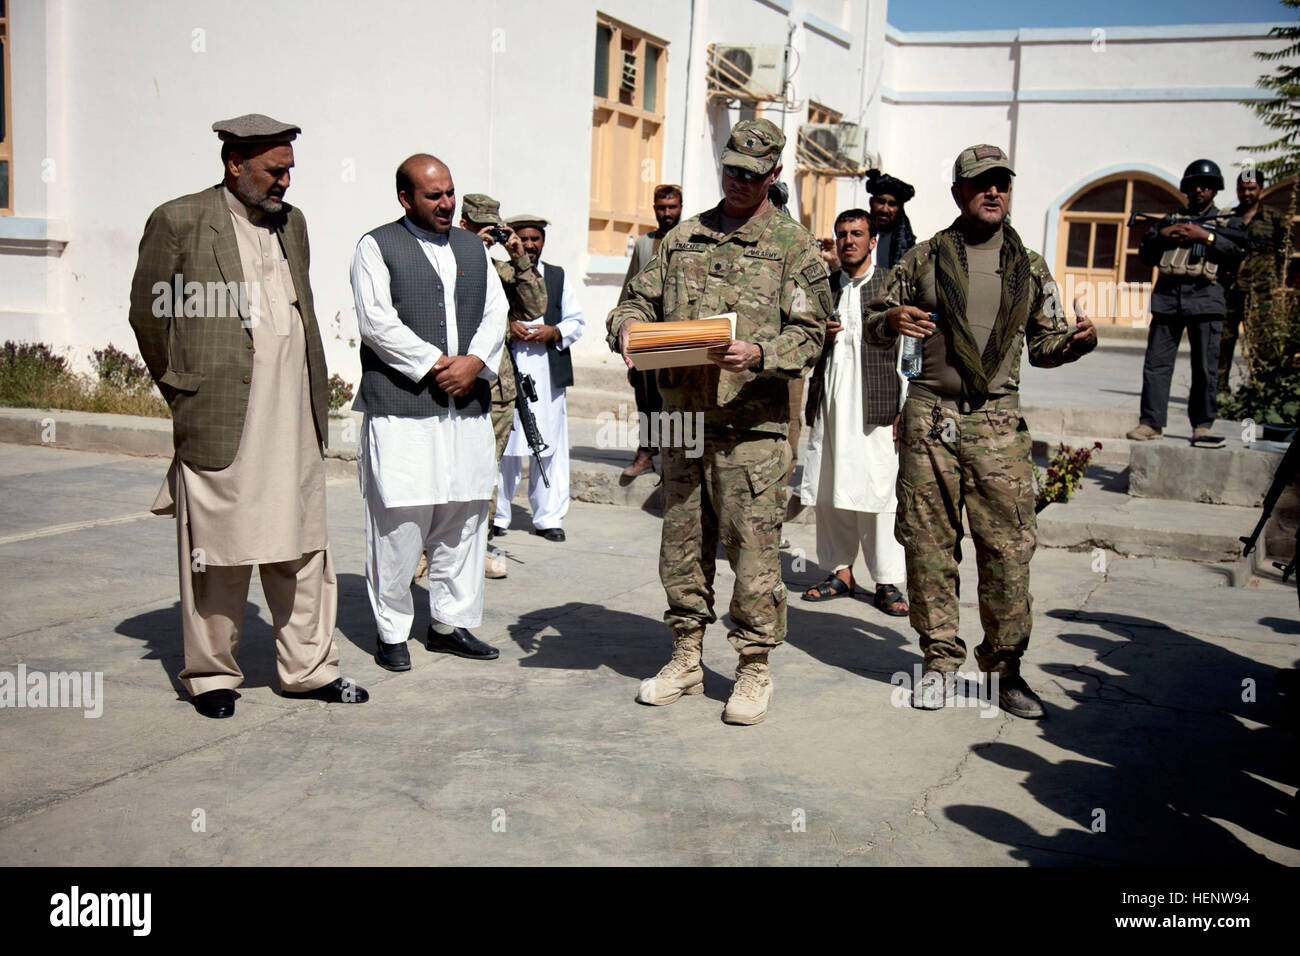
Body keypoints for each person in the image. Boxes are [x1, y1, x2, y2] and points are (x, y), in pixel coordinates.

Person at [128, 113, 368, 718]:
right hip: (223, 413)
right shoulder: (180, 220)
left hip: (294, 413)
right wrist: (181, 387)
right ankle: (211, 675)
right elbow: (148, 317)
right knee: (219, 552)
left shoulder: (295, 224)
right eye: (273, 171)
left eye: (289, 171)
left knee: (304, 547)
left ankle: (308, 669)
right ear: (234, 164)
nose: (285, 183)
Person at [607, 118, 831, 725]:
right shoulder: (683, 239)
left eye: (752, 175)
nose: (738, 182)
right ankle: (685, 655)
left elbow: (811, 334)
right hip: (683, 422)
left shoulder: (794, 248)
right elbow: (634, 302)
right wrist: (627, 327)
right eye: (732, 170)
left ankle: (754, 667)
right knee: (681, 544)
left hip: (751, 427)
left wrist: (762, 354)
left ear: (774, 175)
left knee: (753, 552)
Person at [865, 144, 1098, 719]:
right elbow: (873, 323)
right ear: (958, 195)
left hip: (997, 422)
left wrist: (1072, 345)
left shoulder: (1029, 266)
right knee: (928, 547)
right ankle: (940, 662)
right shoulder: (923, 258)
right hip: (930, 417)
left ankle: (1004, 669)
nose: (993, 192)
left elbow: (1043, 346)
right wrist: (892, 319)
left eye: (1001, 183)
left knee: (1009, 550)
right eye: (980, 184)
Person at [351, 154, 507, 672]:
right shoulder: (376, 246)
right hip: (403, 412)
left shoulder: (472, 247)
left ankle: (448, 624)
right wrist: (436, 364)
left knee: (463, 519)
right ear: (405, 199)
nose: (447, 203)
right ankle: (392, 630)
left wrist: (476, 363)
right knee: (400, 522)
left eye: (450, 193)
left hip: (466, 411)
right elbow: (377, 321)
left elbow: (496, 311)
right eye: (433, 195)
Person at [799, 209, 909, 617]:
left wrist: (906, 405)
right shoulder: (825, 289)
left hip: (877, 406)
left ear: (872, 241)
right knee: (832, 490)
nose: (849, 241)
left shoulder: (890, 286)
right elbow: (800, 338)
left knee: (880, 493)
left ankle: (887, 581)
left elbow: (909, 349)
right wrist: (817, 335)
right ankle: (840, 572)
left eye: (857, 234)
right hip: (831, 405)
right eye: (842, 234)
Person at [1126, 159, 1245, 448]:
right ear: (1186, 189)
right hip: (1168, 298)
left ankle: (1202, 426)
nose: (1200, 190)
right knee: (1156, 364)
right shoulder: (1169, 219)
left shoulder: (1227, 222)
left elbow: (1238, 251)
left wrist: (1206, 236)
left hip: (1206, 299)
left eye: (1205, 185)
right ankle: (1151, 422)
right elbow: (1146, 254)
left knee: (1205, 366)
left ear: (1215, 190)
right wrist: (1163, 235)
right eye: (1194, 185)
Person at [459, 192, 547, 579]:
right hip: (452, 383)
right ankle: (434, 549)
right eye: (481, 231)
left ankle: (475, 550)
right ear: (463, 226)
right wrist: (467, 251)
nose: (489, 238)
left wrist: (518, 256)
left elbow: (535, 306)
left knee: (485, 472)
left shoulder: (502, 269)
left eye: (493, 232)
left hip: (497, 389)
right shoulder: (444, 260)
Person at [494, 214, 585, 542]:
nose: (530, 244)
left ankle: (548, 517)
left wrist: (553, 331)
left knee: (548, 443)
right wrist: (509, 326)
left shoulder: (558, 277)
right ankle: (499, 515)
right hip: (509, 369)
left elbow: (576, 321)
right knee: (505, 446)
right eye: (524, 238)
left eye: (536, 239)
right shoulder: (500, 273)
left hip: (547, 373)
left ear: (543, 241)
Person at [620, 184, 682, 479]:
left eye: (672, 207)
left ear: (680, 207)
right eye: (661, 207)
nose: (667, 213)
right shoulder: (645, 244)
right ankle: (646, 453)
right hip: (647, 335)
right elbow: (631, 287)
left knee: (678, 399)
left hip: (678, 336)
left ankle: (676, 462)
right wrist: (620, 327)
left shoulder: (690, 240)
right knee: (646, 397)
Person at [1218, 168, 1287, 396]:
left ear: (1261, 190)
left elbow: (1284, 255)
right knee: (1223, 343)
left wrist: (1277, 285)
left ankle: (1260, 393)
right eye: (1242, 189)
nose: (1246, 193)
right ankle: (1219, 392)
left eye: (1251, 189)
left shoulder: (1275, 220)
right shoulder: (1228, 218)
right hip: (1230, 291)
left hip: (1261, 294)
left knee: (1261, 344)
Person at [865, 169, 917, 272]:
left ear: (899, 209)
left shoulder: (905, 245)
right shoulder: (857, 234)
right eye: (880, 202)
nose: (885, 209)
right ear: (871, 202)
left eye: (891, 204)